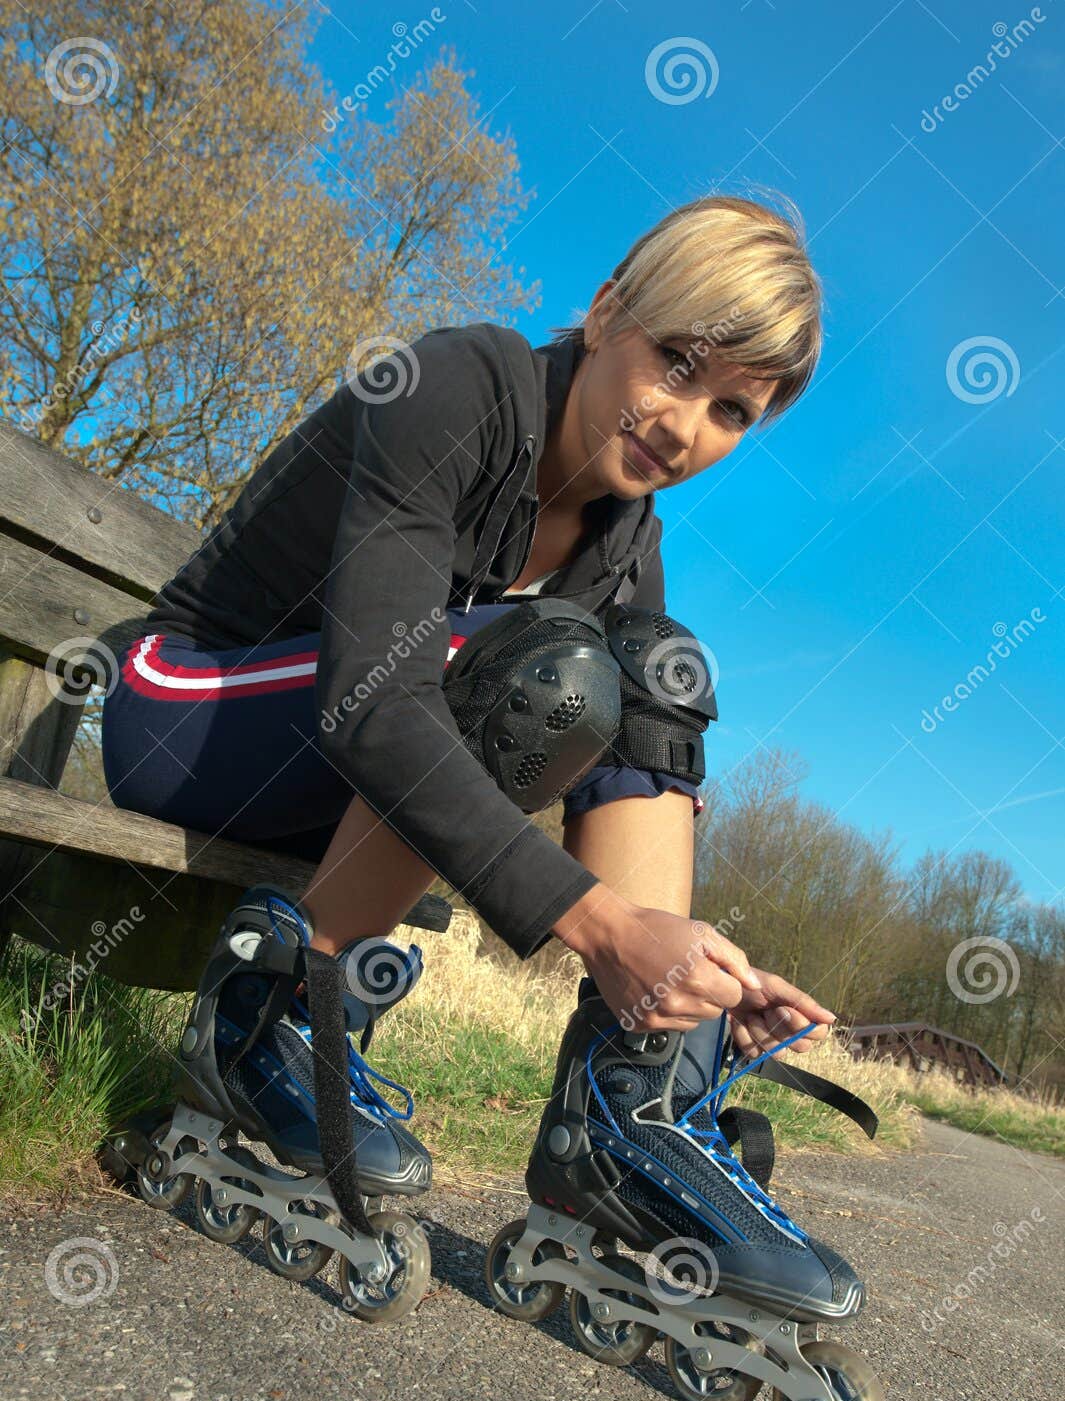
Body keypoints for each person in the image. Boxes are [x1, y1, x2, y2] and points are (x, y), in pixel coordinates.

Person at [100, 191, 840, 1308]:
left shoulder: (626, 547)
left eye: (733, 409)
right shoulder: (456, 387)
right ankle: (271, 1025)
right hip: (189, 712)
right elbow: (375, 705)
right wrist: (597, 925)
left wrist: (680, 969)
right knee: (542, 660)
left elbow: (628, 753)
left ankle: (629, 1109)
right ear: (604, 313)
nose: (687, 423)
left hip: (331, 783)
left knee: (657, 664)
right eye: (678, 361)